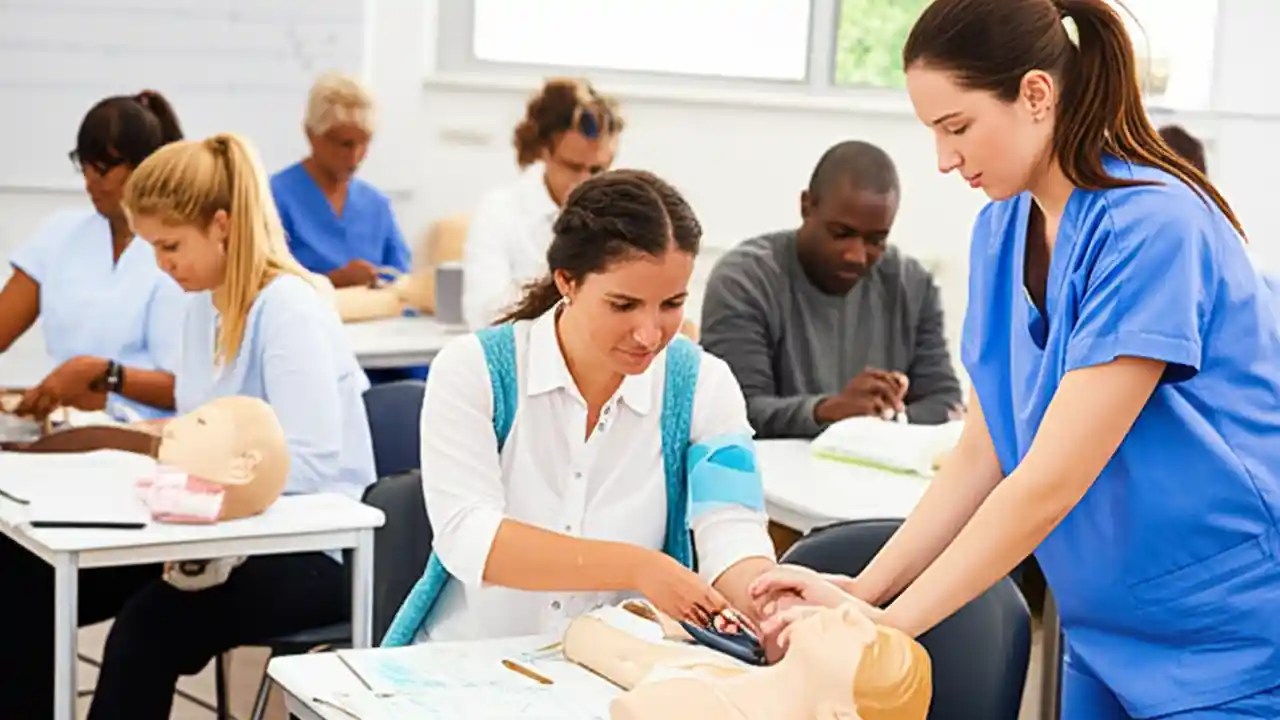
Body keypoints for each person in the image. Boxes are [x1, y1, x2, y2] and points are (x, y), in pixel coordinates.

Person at [750, 1, 1280, 718]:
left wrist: (889, 627)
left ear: (1035, 94)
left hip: (1226, 638)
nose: (943, 159)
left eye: (956, 127)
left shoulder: (1155, 227)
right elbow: (986, 451)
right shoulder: (1002, 229)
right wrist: (866, 593)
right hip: (1104, 632)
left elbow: (1048, 481)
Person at [0, 132, 377, 719]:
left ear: (222, 225)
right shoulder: (203, 303)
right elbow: (199, 431)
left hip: (310, 546)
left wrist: (192, 488)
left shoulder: (289, 309)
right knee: (23, 581)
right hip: (213, 536)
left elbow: (313, 467)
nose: (161, 264)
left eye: (170, 245)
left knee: (148, 627)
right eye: (152, 247)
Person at [381, 170, 776, 648]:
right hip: (466, 664)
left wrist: (769, 599)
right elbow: (470, 540)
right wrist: (637, 566)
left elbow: (731, 525)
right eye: (623, 305)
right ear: (566, 280)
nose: (649, 333)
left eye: (671, 304)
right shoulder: (473, 370)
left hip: (612, 671)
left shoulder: (704, 386)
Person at [701, 141, 963, 439]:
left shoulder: (912, 285)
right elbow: (733, 412)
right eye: (841, 234)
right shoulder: (745, 280)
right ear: (806, 206)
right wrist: (828, 411)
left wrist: (878, 416)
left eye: (876, 240)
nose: (857, 255)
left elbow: (947, 405)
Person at [0, 90, 187, 421]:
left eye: (102, 170)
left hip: (148, 436)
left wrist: (106, 376)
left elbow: (189, 387)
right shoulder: (58, 235)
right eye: (83, 167)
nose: (90, 182)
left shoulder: (180, 247)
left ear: (143, 166)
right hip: (67, 431)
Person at [271, 71, 421, 383]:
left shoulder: (375, 204)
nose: (355, 156)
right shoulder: (275, 198)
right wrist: (334, 281)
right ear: (312, 135)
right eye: (344, 144)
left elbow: (402, 281)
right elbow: (263, 283)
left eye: (364, 144)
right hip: (310, 348)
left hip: (383, 347)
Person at [461, 78, 623, 329]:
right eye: (572, 166)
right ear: (544, 150)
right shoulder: (499, 211)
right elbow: (484, 314)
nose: (584, 182)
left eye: (596, 170)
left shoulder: (622, 212)